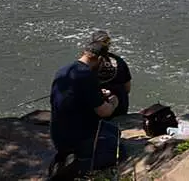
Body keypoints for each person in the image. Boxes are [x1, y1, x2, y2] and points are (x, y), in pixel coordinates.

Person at [48, 38, 121, 180]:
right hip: (77, 137)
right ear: (99, 59)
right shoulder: (87, 75)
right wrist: (114, 101)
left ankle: (69, 157)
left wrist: (99, 94)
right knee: (117, 148)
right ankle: (76, 165)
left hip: (58, 134)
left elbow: (77, 96)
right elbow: (104, 112)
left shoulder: (63, 70)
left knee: (113, 130)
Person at [88, 30, 132, 116]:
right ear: (109, 45)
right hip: (119, 108)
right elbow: (127, 88)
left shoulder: (87, 63)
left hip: (95, 110)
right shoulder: (119, 61)